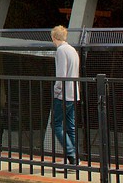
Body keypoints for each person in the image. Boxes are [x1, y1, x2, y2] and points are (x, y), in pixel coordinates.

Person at [51, 25, 80, 165]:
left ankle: (71, 155)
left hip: (63, 95)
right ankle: (76, 158)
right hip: (74, 93)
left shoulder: (61, 50)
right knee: (71, 126)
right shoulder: (73, 50)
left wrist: (56, 91)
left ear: (54, 37)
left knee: (56, 125)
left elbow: (61, 75)